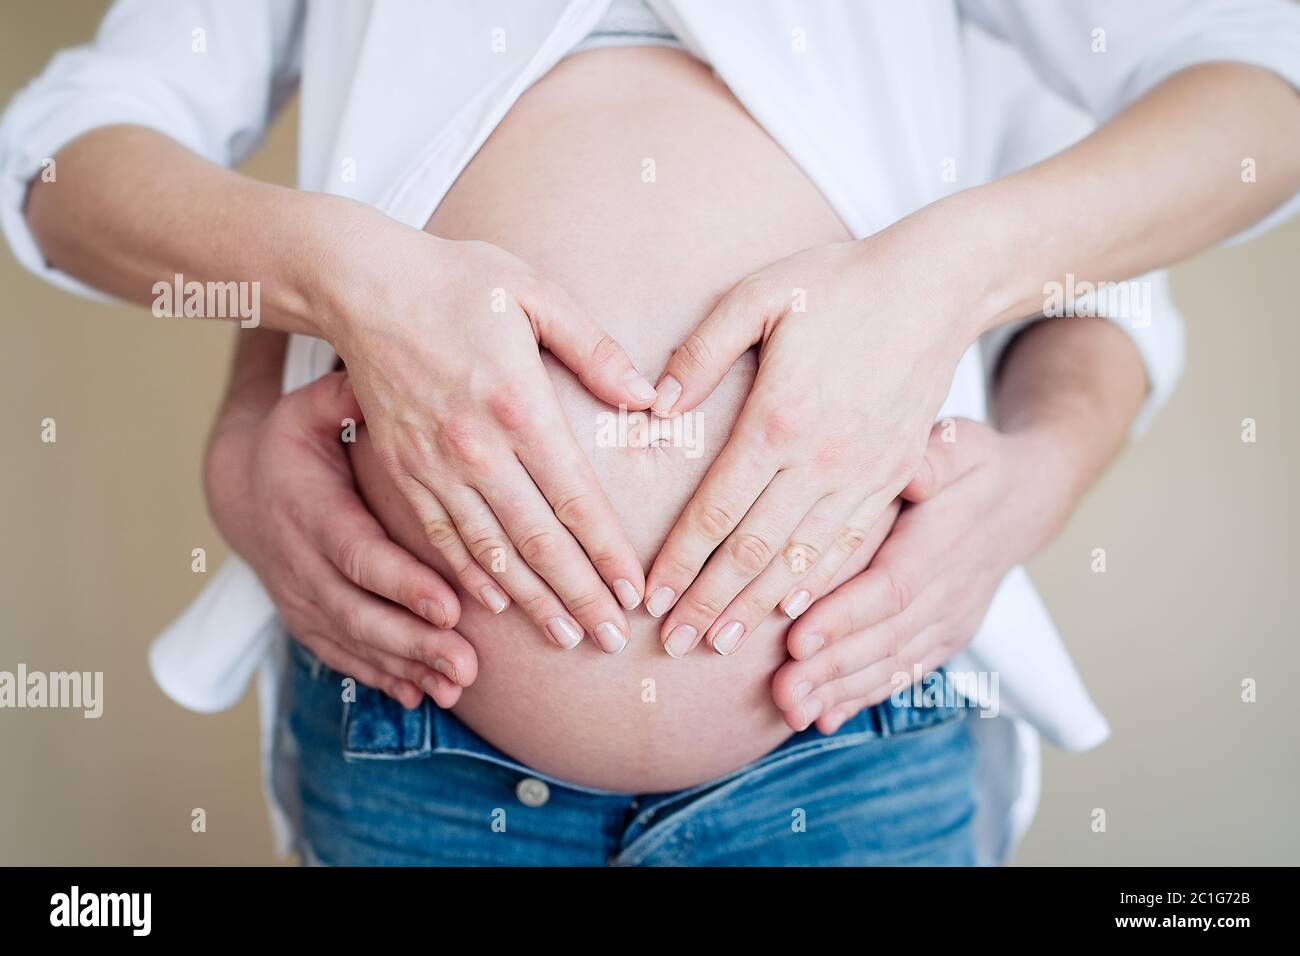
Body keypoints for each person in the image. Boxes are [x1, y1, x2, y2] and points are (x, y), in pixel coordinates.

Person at [3, 0, 1298, 864]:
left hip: (855, 738)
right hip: (422, 739)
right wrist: (334, 294)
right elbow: (61, 164)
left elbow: (1248, 112)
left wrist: (1017, 431)